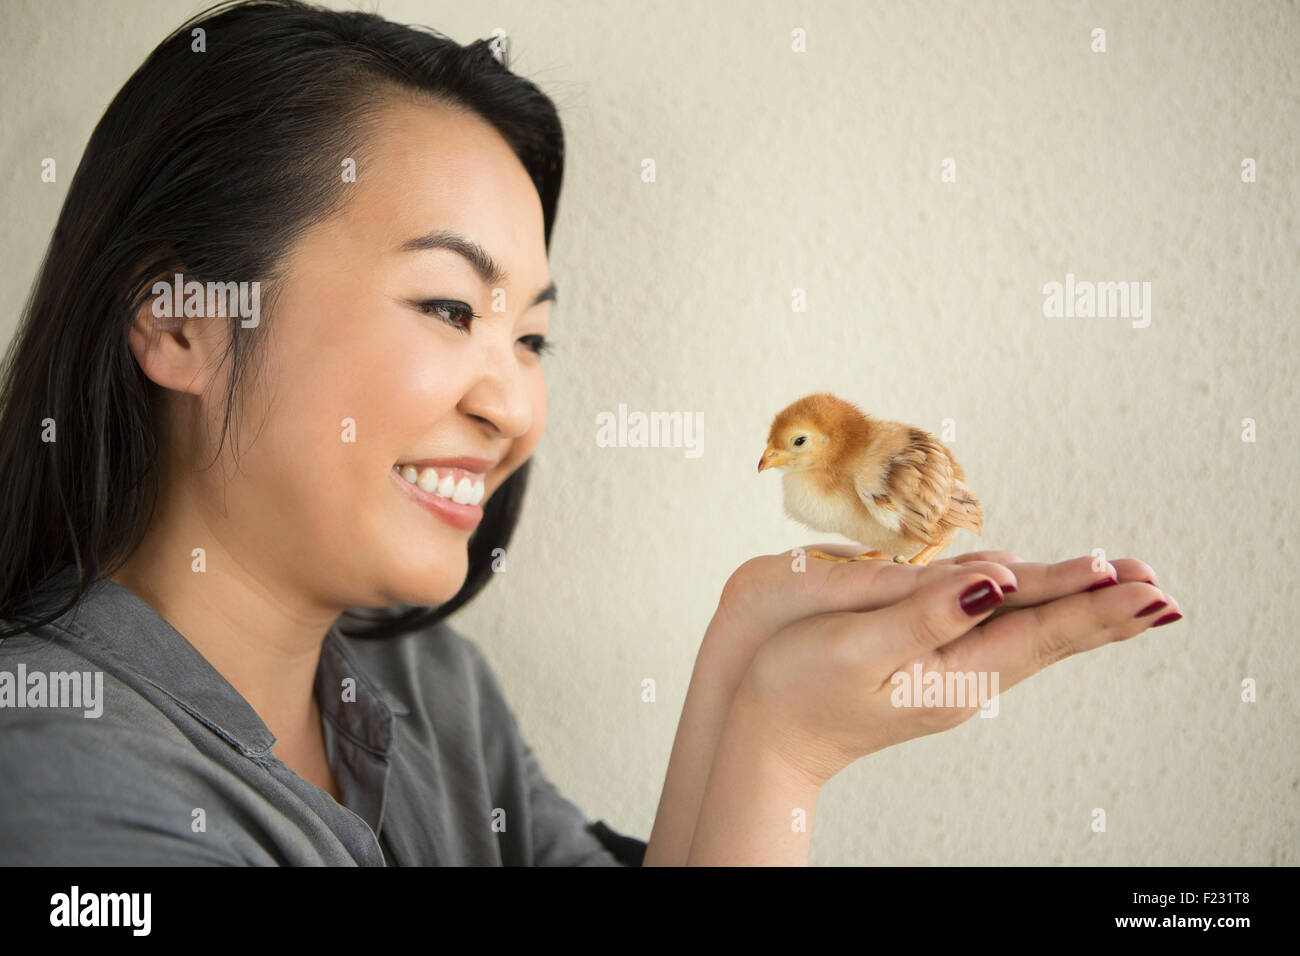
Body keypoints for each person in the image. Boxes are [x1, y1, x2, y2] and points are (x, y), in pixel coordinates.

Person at [0, 0, 1180, 866]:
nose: (511, 405)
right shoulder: (54, 772)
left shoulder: (431, 692)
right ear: (184, 320)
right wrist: (775, 765)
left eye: (531, 339)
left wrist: (750, 689)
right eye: (450, 307)